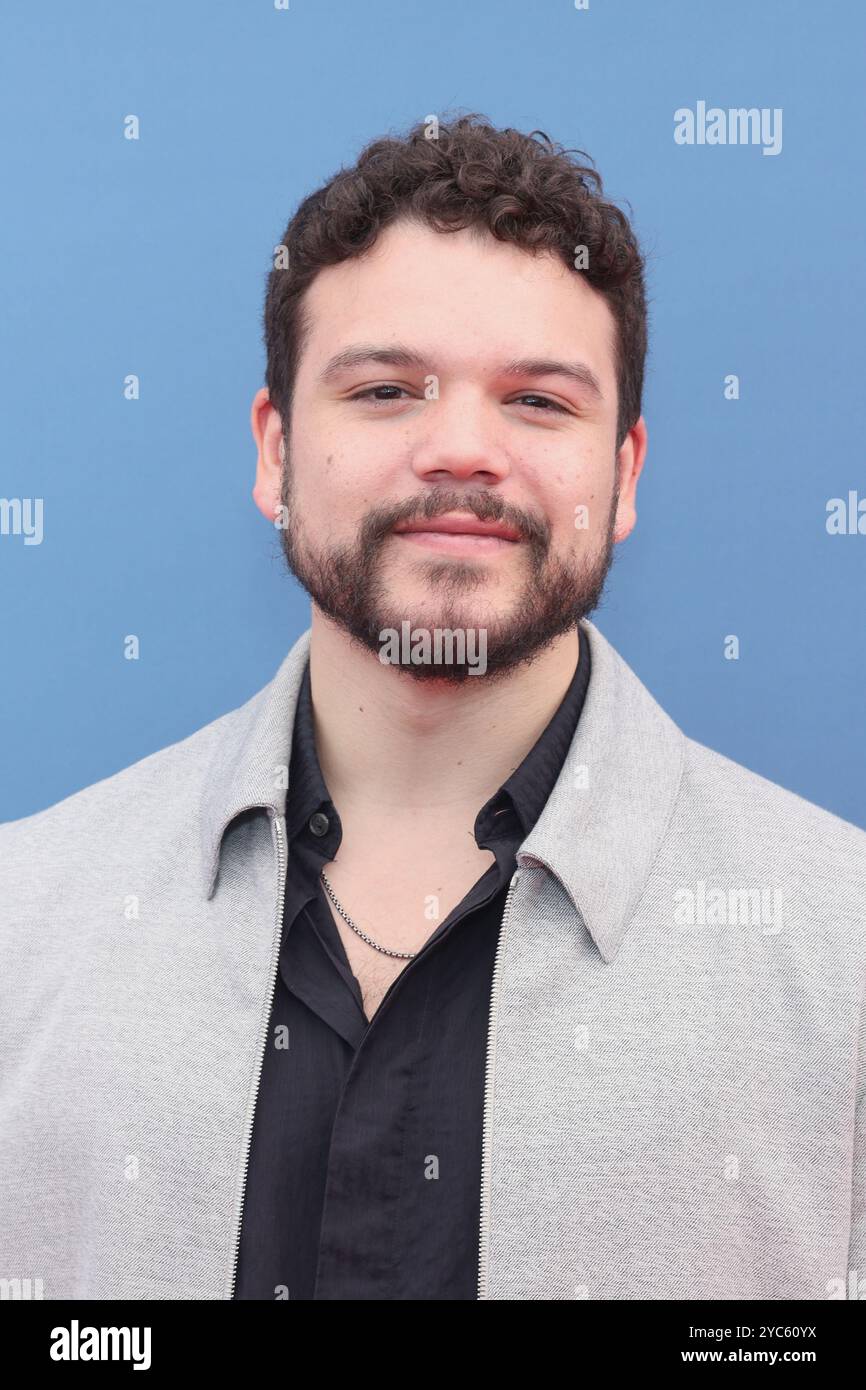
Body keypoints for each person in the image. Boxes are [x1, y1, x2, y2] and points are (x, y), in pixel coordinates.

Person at [1, 113, 863, 1302]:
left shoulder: (842, 955)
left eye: (538, 403)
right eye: (385, 387)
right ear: (275, 453)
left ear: (622, 478)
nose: (460, 451)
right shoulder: (24, 921)